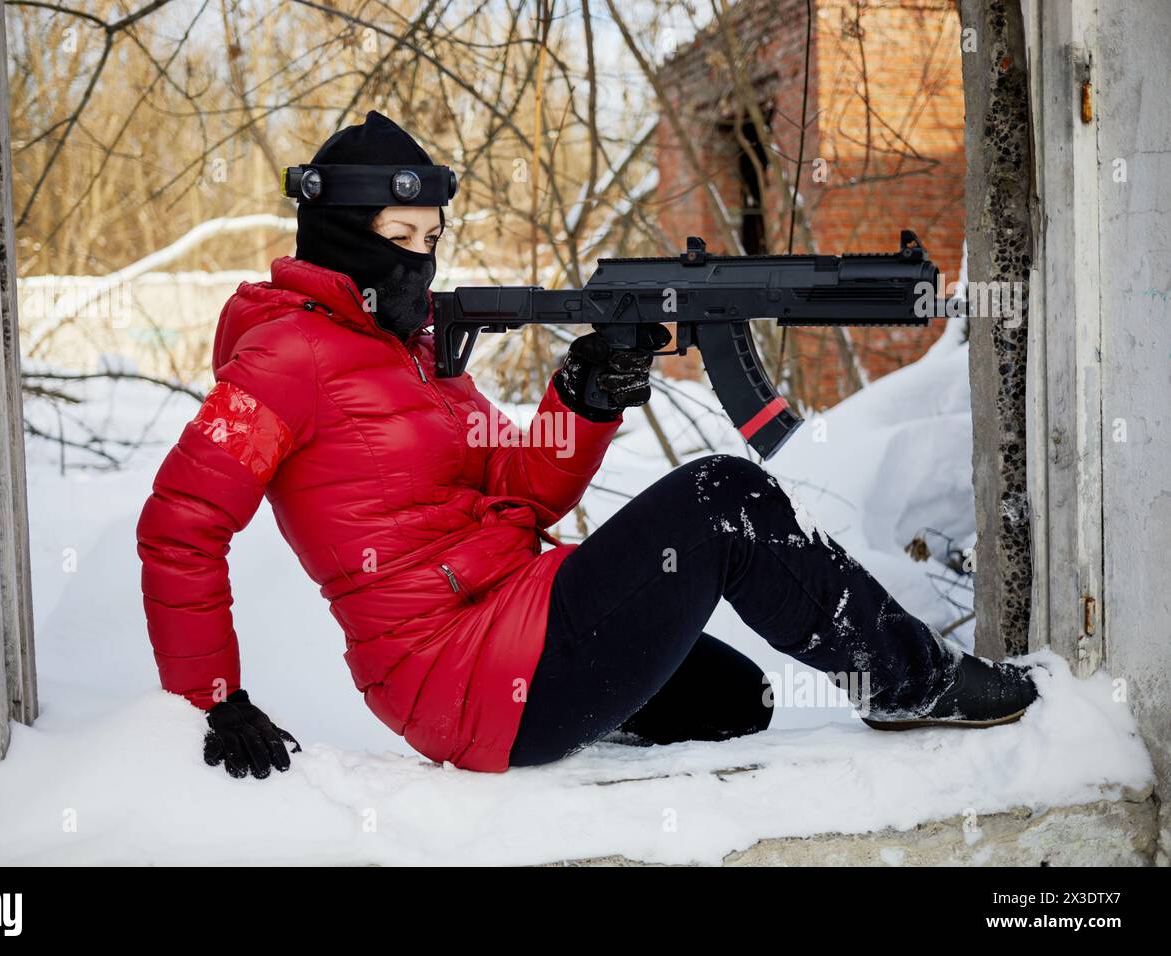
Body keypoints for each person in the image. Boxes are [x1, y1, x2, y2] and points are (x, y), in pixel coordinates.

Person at [136, 110, 1039, 780]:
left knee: (737, 701)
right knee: (723, 499)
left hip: (521, 608)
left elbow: (520, 493)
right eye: (400, 241)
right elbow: (180, 529)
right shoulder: (284, 360)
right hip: (457, 671)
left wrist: (584, 397)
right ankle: (914, 682)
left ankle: (596, 732)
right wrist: (217, 700)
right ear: (341, 238)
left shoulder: (417, 354)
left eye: (432, 242)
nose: (421, 262)